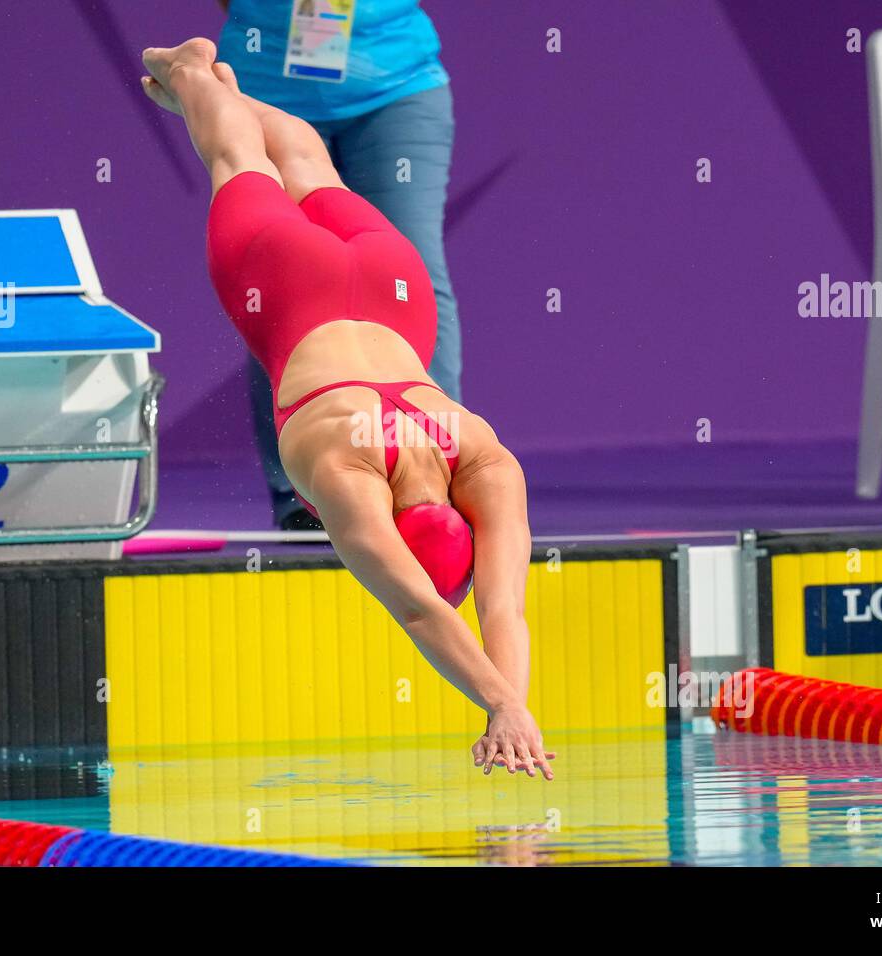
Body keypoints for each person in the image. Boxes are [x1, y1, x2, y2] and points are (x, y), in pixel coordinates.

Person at [140, 38, 553, 779]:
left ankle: (211, 87)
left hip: (393, 289)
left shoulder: (482, 455)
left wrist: (512, 706)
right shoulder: (345, 471)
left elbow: (504, 610)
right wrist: (498, 704)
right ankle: (195, 78)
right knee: (238, 160)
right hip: (291, 291)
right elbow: (423, 612)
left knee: (305, 158)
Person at [216, 0, 461, 531]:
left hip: (395, 90)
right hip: (264, 89)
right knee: (278, 289)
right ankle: (306, 488)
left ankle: (434, 468)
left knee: (412, 276)